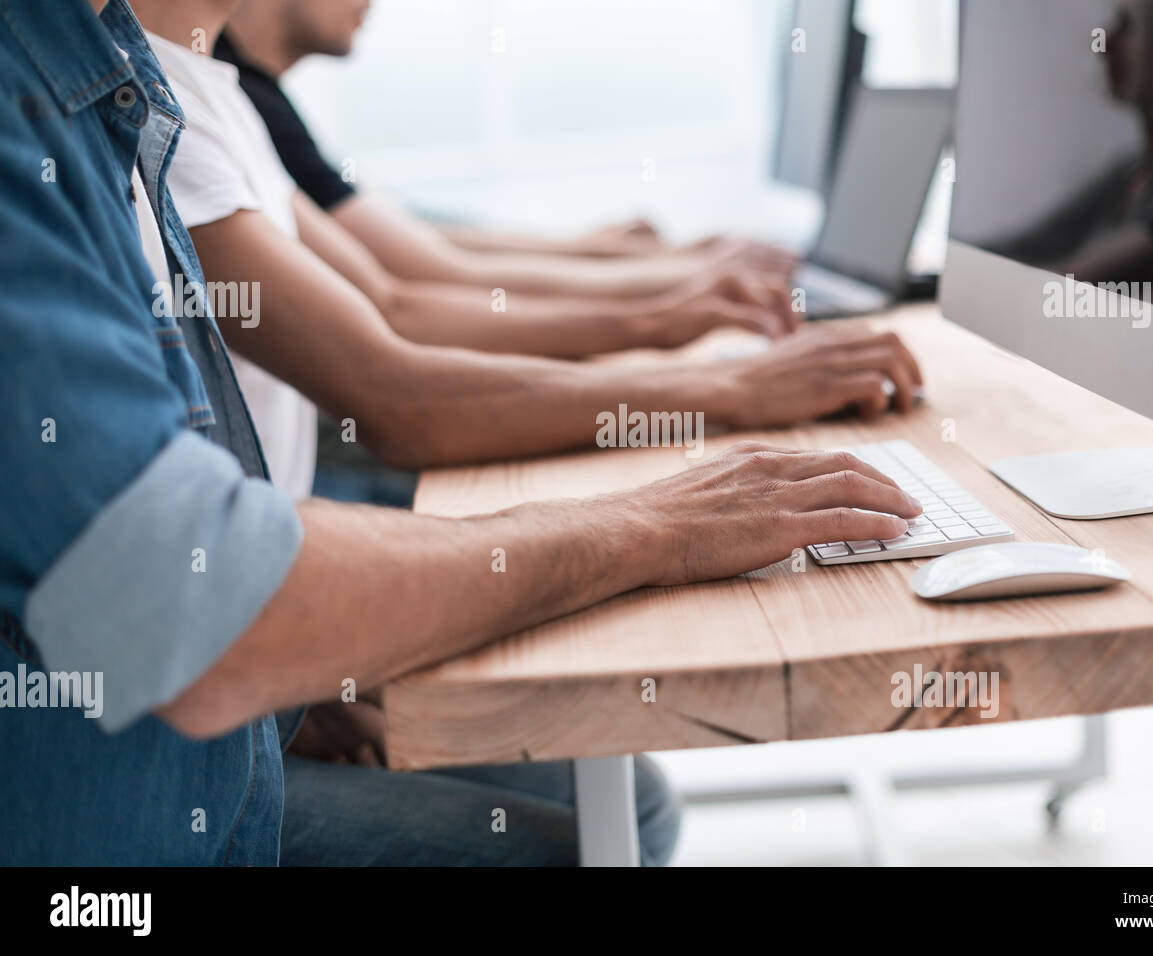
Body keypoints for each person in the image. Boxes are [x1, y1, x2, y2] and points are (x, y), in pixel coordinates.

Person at [0, 0, 923, 865]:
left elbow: (400, 294)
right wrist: (660, 507)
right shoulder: (56, 100)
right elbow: (381, 383)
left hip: (199, 737)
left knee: (623, 800)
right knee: (607, 827)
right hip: (126, 835)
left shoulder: (128, 87)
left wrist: (293, 670)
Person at [215, 0, 798, 297]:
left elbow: (417, 237)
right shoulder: (235, 96)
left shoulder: (251, 94)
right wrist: (681, 280)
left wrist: (594, 251)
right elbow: (424, 275)